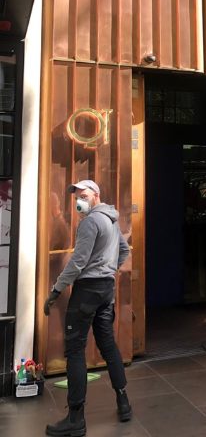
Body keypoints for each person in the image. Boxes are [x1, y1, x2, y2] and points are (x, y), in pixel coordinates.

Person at [44, 180, 132, 436]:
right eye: (76, 197)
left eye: (83, 195)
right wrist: (109, 270)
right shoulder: (112, 220)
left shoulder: (90, 222)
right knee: (107, 344)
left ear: (96, 196)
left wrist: (56, 289)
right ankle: (123, 401)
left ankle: (75, 418)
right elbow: (124, 250)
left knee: (74, 350)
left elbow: (78, 261)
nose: (79, 201)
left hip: (87, 291)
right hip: (106, 290)